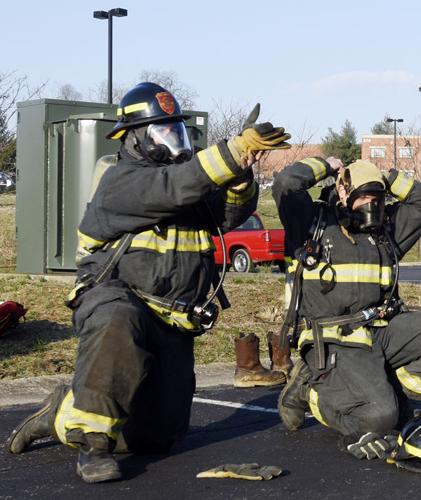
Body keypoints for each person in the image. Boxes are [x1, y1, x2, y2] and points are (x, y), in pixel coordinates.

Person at [5, 82, 289, 483]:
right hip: (118, 297)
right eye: (163, 132)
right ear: (136, 139)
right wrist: (232, 151)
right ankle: (93, 445)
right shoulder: (122, 179)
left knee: (159, 437)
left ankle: (61, 414)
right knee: (118, 319)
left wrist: (242, 174)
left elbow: (226, 214)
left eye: (177, 131)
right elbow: (173, 189)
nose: (175, 140)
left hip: (172, 315)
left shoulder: (183, 182)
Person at [274, 158, 421, 460]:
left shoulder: (385, 230)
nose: (372, 204)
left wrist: (388, 177)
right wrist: (327, 166)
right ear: (344, 193)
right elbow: (285, 184)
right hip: (332, 338)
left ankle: (395, 398)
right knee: (378, 419)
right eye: (365, 196)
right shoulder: (312, 223)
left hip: (380, 330)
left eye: (378, 198)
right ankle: (307, 390)